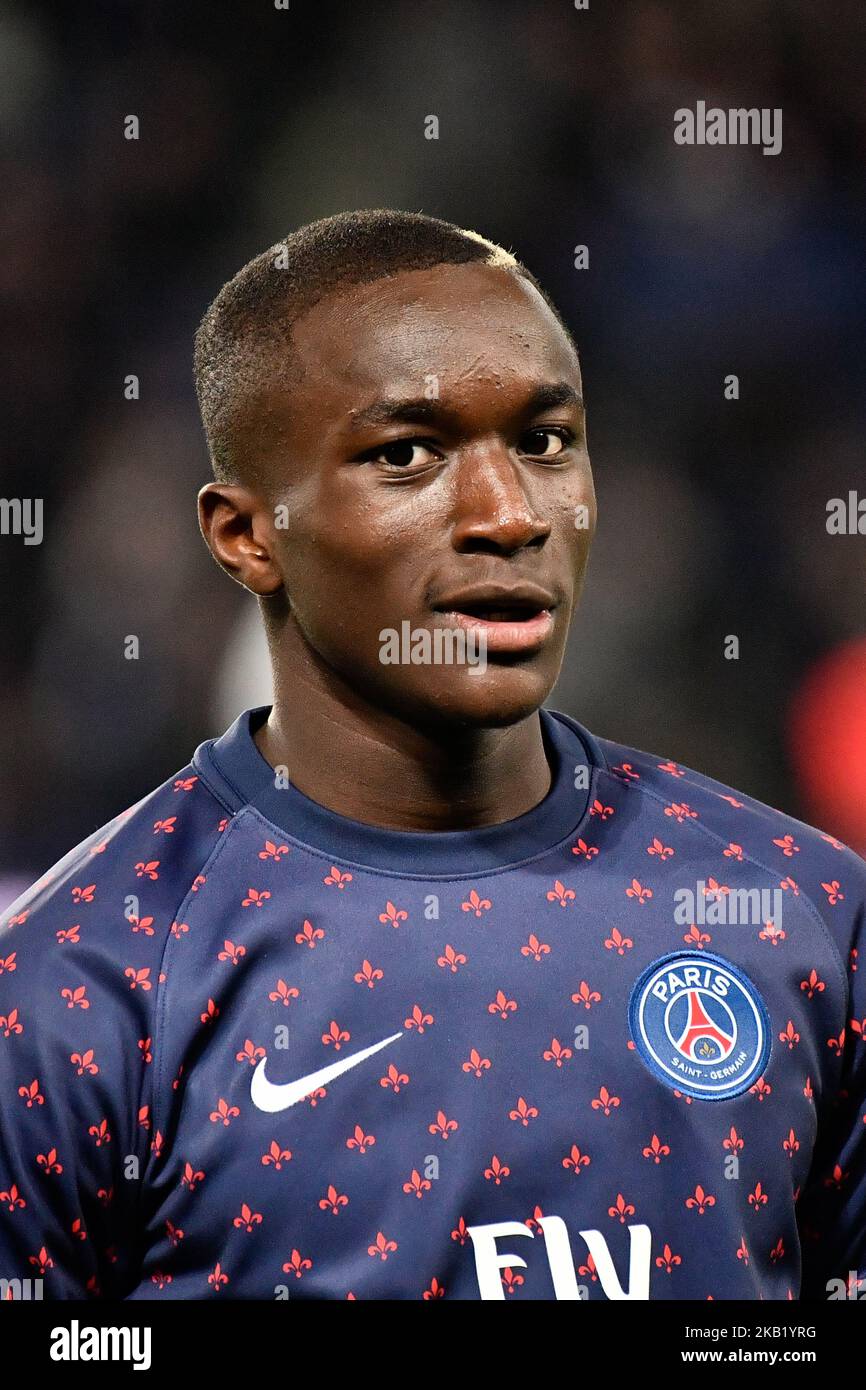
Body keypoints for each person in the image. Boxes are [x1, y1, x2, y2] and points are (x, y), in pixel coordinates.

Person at [1, 209, 863, 1301]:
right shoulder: (77, 991)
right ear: (246, 536)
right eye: (405, 454)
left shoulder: (808, 919)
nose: (510, 515)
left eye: (546, 441)